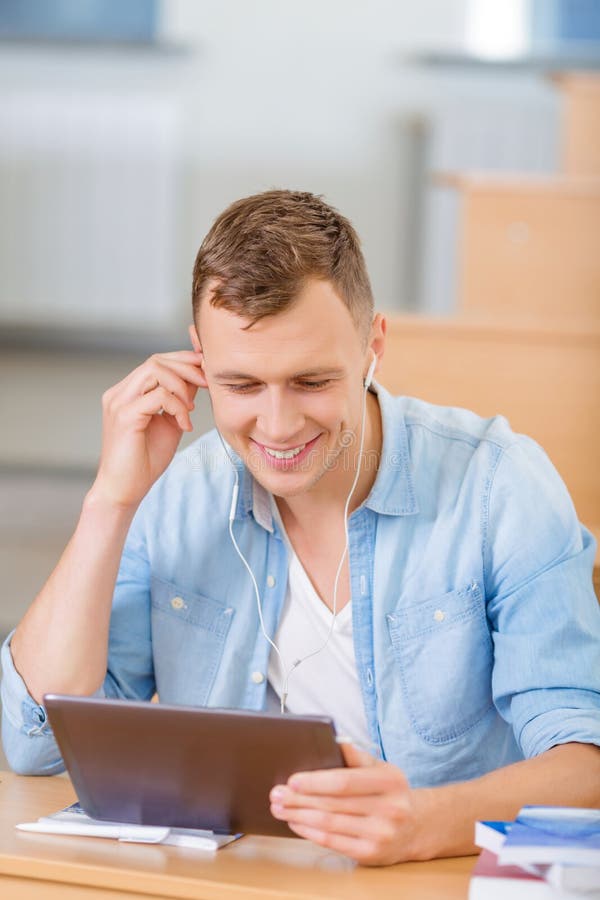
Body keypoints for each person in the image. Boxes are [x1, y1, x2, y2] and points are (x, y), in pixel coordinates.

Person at [1, 190, 599, 866]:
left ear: (373, 346)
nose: (279, 426)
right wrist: (110, 501)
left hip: (438, 876)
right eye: (242, 386)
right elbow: (37, 741)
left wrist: (426, 822)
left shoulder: (499, 488)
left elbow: (585, 764)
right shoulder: (178, 494)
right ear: (199, 358)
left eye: (311, 381)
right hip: (248, 879)